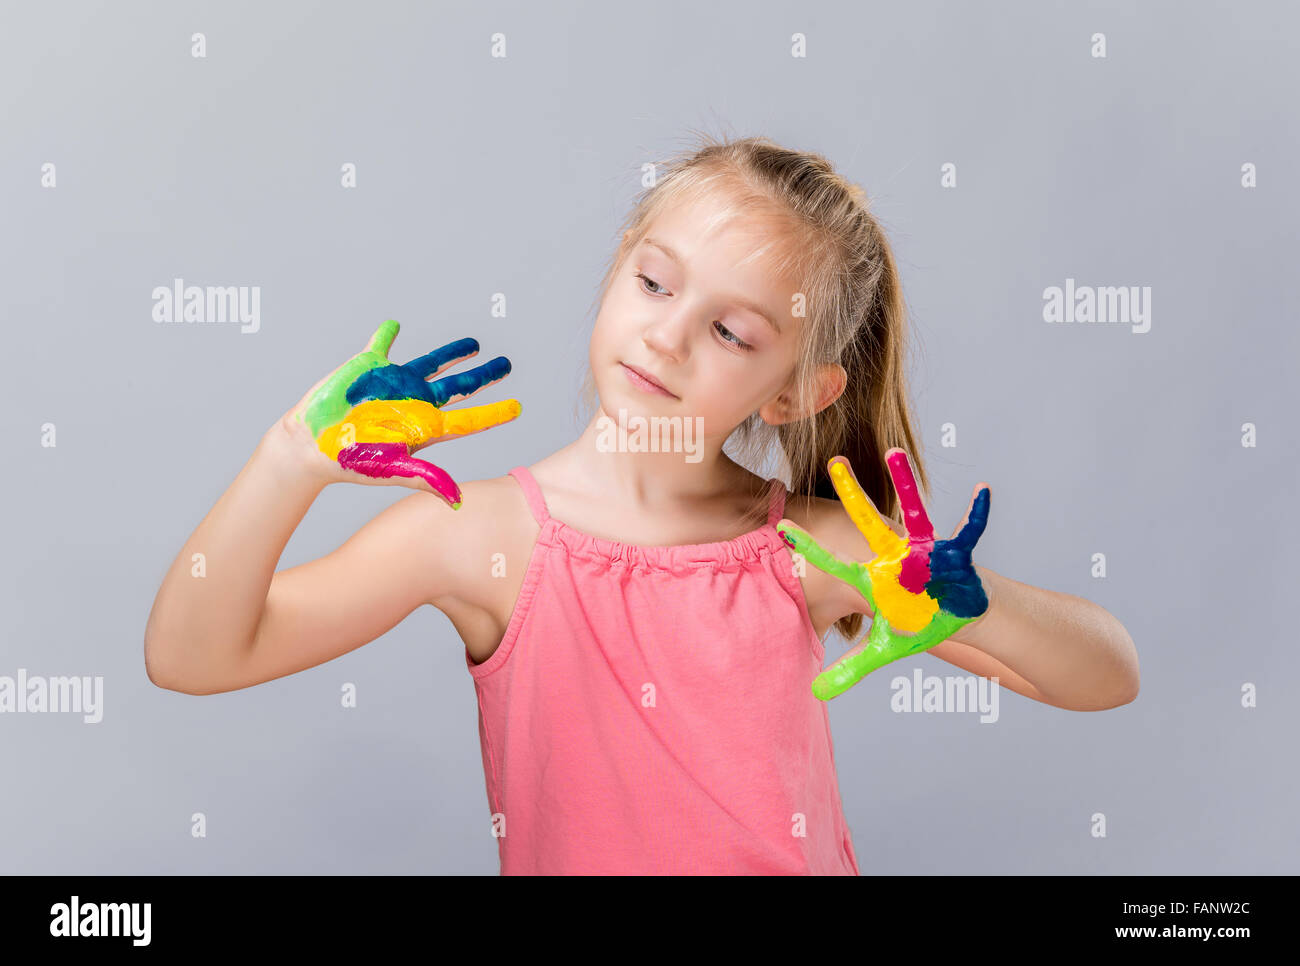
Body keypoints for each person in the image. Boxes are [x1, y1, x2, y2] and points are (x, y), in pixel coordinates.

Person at [144, 133, 1140, 875]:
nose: (666, 337)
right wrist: (289, 460)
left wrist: (975, 606)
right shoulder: (478, 539)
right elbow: (192, 656)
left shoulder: (817, 548)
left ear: (797, 393)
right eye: (655, 282)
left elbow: (1103, 675)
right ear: (619, 262)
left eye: (732, 333)